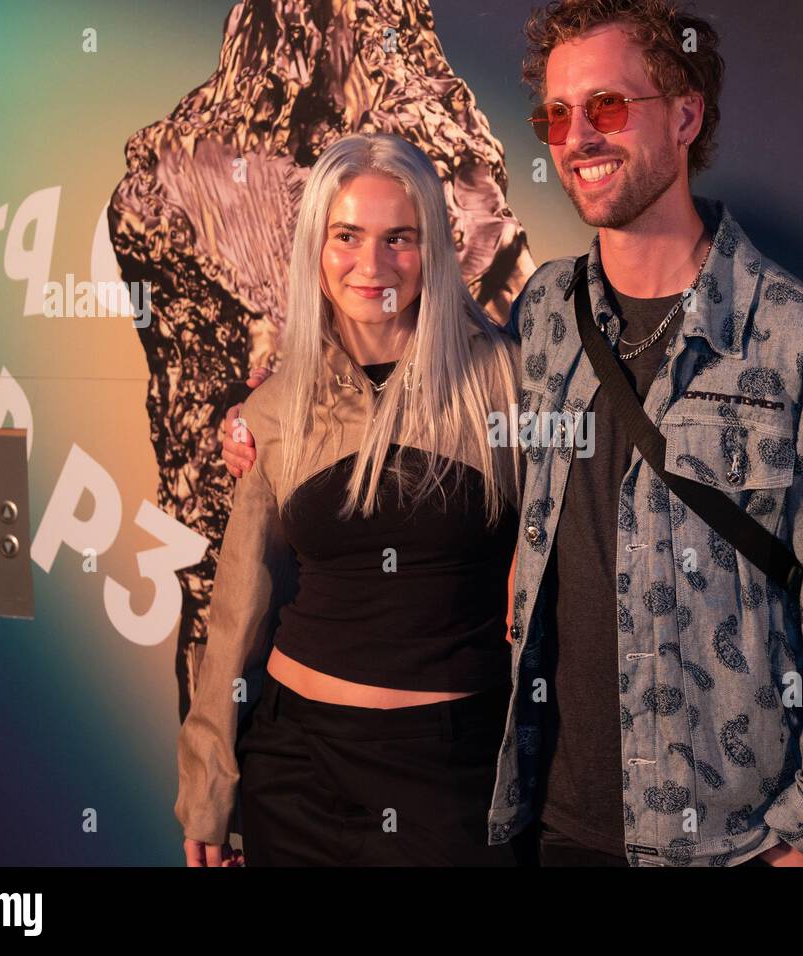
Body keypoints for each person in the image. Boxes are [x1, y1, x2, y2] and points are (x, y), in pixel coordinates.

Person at [225, 0, 803, 868]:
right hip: (550, 828)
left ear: (685, 113)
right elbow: (412, 366)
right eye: (558, 114)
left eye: (609, 106)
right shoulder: (547, 313)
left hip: (727, 845)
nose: (578, 136)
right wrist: (272, 415)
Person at [178, 131, 524, 866]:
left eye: (399, 237)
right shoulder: (274, 406)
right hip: (295, 772)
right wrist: (209, 788)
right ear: (316, 248)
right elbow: (240, 606)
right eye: (347, 236)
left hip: (452, 779)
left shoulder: (507, 384)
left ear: (434, 243)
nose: (372, 265)